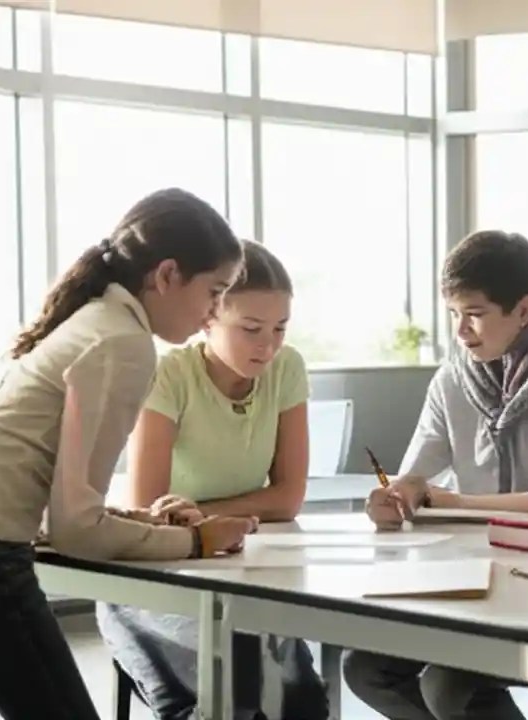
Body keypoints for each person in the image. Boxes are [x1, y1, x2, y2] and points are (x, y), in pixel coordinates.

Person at [0, 188, 258, 720]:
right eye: (214, 292)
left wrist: (134, 521)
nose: (214, 313)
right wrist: (194, 540)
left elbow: (60, 506)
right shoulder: (123, 342)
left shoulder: (91, 320)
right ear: (167, 275)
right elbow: (78, 529)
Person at [342, 229, 528, 720]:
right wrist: (397, 496)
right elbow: (416, 479)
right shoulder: (455, 378)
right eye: (454, 314)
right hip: (484, 581)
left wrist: (457, 503)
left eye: (475, 314)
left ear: (524, 310)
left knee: (447, 683)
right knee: (366, 669)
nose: (461, 331)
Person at [98, 240, 328, 719]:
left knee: (303, 702)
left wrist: (202, 515)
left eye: (280, 328)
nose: (268, 345)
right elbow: (150, 505)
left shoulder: (287, 369)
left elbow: (288, 498)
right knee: (222, 694)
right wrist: (223, 518)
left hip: (241, 570)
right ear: (207, 319)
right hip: (156, 576)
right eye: (250, 329)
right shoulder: (169, 375)